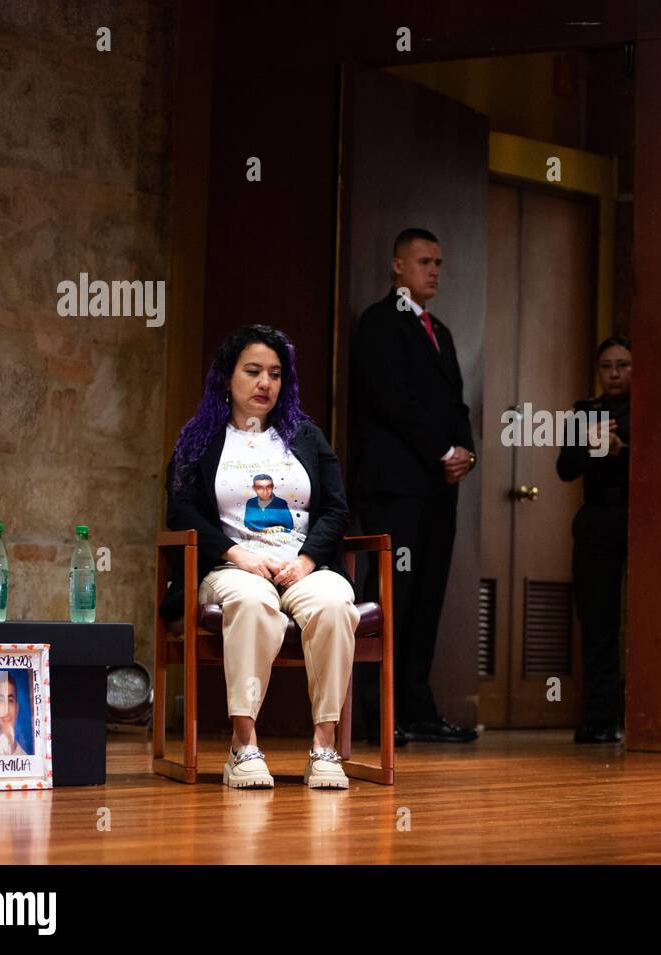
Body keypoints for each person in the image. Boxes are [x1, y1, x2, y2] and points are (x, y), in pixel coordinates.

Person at [162, 324, 361, 790]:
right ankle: (243, 745)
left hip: (303, 566)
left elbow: (336, 509)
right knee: (252, 602)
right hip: (231, 567)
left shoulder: (305, 436)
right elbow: (180, 510)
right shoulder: (201, 438)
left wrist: (307, 561)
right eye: (252, 371)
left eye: (274, 373)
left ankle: (325, 745)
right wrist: (237, 555)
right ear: (227, 376)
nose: (264, 383)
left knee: (334, 604)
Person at [351, 228, 478, 743]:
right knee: (391, 595)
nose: (434, 272)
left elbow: (456, 404)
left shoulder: (439, 330)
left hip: (438, 488)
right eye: (425, 262)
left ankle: (418, 708)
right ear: (398, 266)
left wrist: (465, 452)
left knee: (427, 598)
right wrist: (442, 451)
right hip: (395, 486)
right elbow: (392, 400)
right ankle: (378, 715)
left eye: (439, 263)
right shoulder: (380, 322)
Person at [557, 336, 632, 743]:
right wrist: (591, 447)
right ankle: (599, 719)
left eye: (623, 365)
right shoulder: (584, 412)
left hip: (640, 519)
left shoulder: (650, 406)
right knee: (596, 620)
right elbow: (565, 468)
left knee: (639, 621)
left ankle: (633, 717)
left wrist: (620, 450)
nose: (614, 374)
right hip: (597, 517)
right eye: (606, 366)